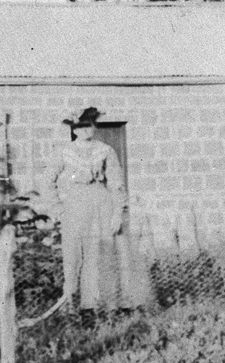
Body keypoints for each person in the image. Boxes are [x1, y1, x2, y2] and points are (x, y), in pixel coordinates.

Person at [44, 107, 149, 315]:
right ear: (74, 129)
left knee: (105, 253)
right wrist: (58, 209)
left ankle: (105, 306)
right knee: (75, 255)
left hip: (103, 205)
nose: (84, 130)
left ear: (94, 127)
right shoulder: (63, 152)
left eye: (88, 126)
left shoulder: (105, 150)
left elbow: (116, 183)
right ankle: (73, 306)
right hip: (75, 207)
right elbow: (47, 181)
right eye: (80, 127)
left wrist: (118, 211)